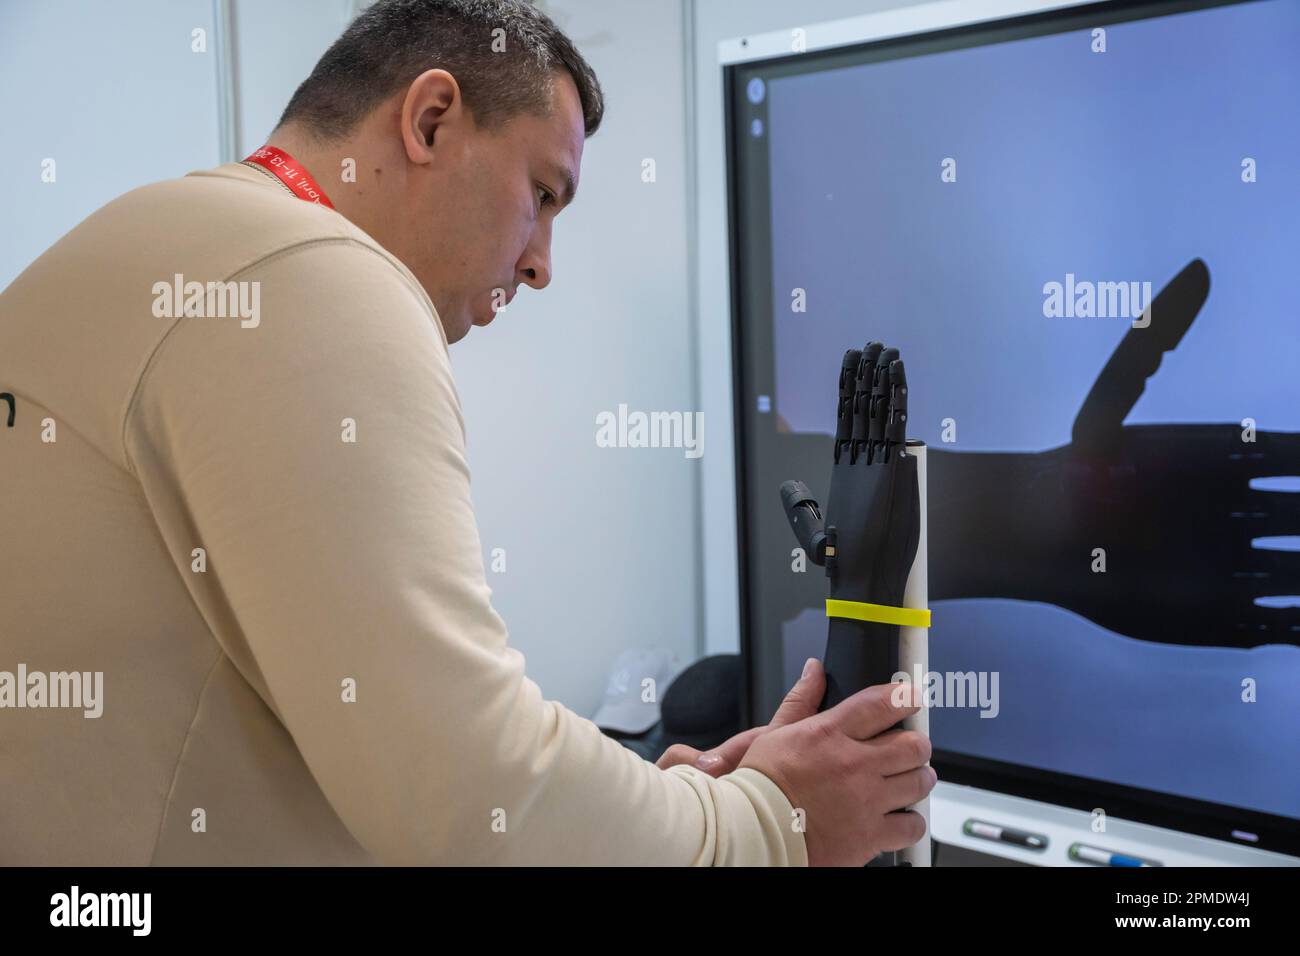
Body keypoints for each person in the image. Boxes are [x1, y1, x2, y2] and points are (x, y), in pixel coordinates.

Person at [0, 0, 933, 865]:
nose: (540, 266)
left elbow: (385, 756)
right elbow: (467, 788)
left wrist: (678, 809)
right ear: (431, 120)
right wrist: (765, 824)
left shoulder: (152, 240)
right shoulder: (311, 275)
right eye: (543, 195)